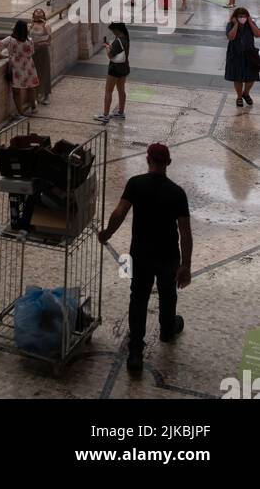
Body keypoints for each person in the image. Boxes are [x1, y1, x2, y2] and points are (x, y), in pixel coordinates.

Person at [98, 142, 192, 375]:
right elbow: (185, 232)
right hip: (168, 255)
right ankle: (167, 329)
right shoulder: (177, 192)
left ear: (147, 159)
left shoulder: (135, 184)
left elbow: (120, 212)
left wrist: (107, 233)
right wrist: (186, 265)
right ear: (168, 163)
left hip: (141, 253)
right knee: (168, 293)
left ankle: (135, 353)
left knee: (138, 298)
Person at [0, 19, 40, 116]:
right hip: (29, 66)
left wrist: (2, 55)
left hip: (16, 67)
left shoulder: (10, 39)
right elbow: (32, 52)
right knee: (31, 87)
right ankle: (34, 107)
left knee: (16, 91)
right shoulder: (29, 40)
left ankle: (21, 112)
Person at [224, 6, 260, 108]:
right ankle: (239, 97)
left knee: (252, 77)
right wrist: (235, 24)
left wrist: (250, 22)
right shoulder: (230, 24)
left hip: (250, 54)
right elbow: (230, 36)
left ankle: (246, 93)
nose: (242, 18)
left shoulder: (250, 24)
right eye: (240, 16)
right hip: (235, 54)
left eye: (244, 16)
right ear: (235, 17)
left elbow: (258, 34)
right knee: (237, 77)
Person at [95, 23, 130, 122]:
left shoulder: (118, 41)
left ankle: (105, 115)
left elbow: (110, 56)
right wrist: (111, 46)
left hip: (115, 69)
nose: (113, 32)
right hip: (124, 67)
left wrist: (106, 47)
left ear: (117, 30)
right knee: (121, 90)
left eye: (113, 30)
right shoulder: (126, 38)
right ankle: (121, 113)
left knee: (108, 91)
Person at [29, 7, 52, 105]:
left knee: (45, 72)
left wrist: (41, 43)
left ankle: (46, 95)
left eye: (40, 11)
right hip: (33, 51)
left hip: (43, 50)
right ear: (33, 14)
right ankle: (37, 94)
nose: (38, 13)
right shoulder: (30, 25)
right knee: (35, 73)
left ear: (43, 15)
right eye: (36, 11)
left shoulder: (46, 25)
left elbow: (49, 40)